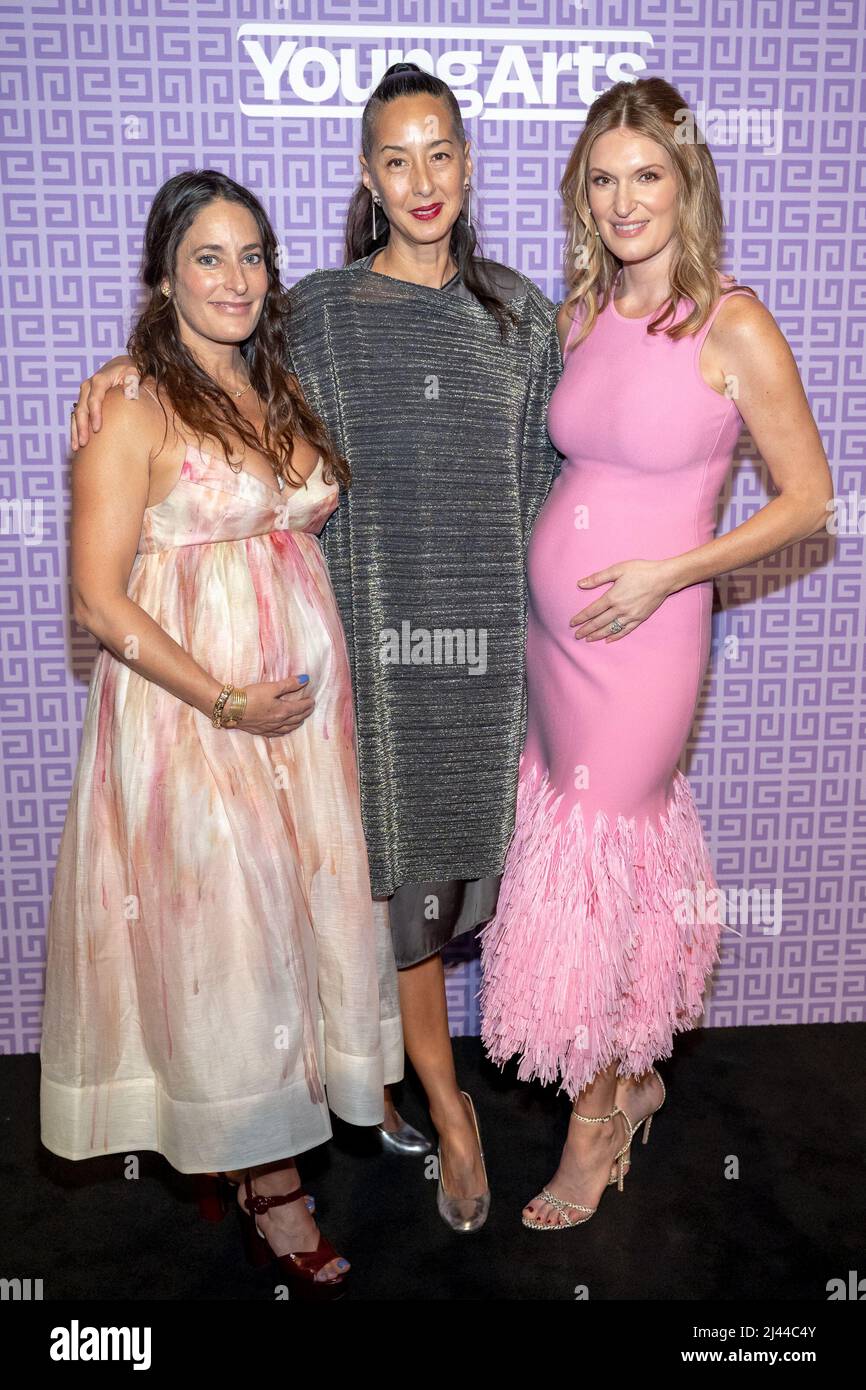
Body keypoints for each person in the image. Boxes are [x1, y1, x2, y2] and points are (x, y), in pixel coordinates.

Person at [69, 64, 563, 1233]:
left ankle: (385, 1091)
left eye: (438, 151)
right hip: (355, 675)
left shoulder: (522, 314)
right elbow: (202, 356)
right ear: (365, 174)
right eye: (394, 157)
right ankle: (443, 1114)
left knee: (451, 895)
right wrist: (116, 370)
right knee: (379, 898)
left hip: (485, 662)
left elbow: (554, 476)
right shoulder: (324, 312)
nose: (420, 179)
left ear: (467, 161)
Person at [478, 76, 833, 1230]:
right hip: (554, 647)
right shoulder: (581, 312)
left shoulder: (730, 319)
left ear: (686, 187)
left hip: (647, 638)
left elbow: (810, 499)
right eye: (603, 178)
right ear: (581, 194)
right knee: (590, 860)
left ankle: (594, 1129)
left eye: (647, 176)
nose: (624, 199)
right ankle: (627, 1076)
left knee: (598, 860)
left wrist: (669, 573)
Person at [41, 170, 403, 1295]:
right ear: (163, 275)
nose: (236, 278)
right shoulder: (130, 407)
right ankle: (271, 1188)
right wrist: (226, 700)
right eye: (208, 256)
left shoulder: (278, 386)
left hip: (298, 730)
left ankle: (267, 1140)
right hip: (193, 724)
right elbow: (100, 602)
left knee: (293, 929)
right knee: (227, 945)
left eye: (252, 256)